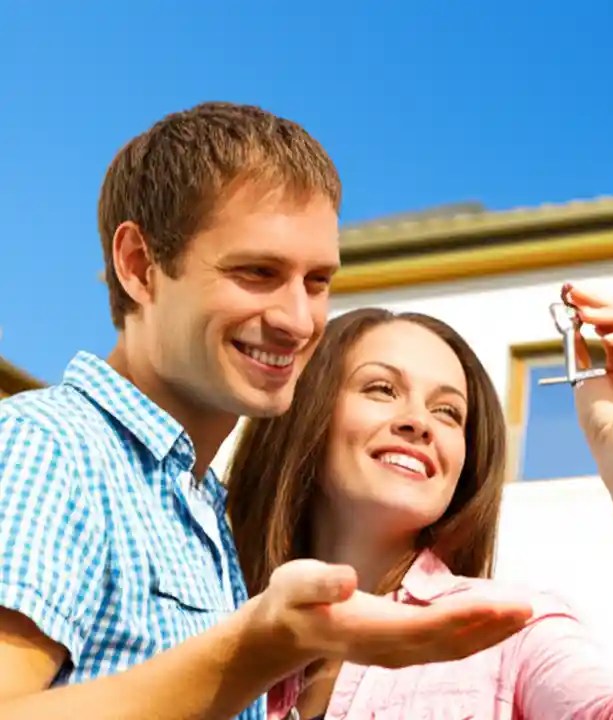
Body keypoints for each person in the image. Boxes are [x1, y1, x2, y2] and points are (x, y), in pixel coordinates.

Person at [0, 102, 532, 720]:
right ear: (140, 267)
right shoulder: (49, 448)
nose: (297, 321)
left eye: (317, 282)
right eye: (257, 272)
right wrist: (264, 646)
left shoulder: (207, 512)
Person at [224, 283, 613, 720]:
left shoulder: (503, 631)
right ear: (307, 415)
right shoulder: (217, 621)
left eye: (448, 412)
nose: (418, 421)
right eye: (381, 388)